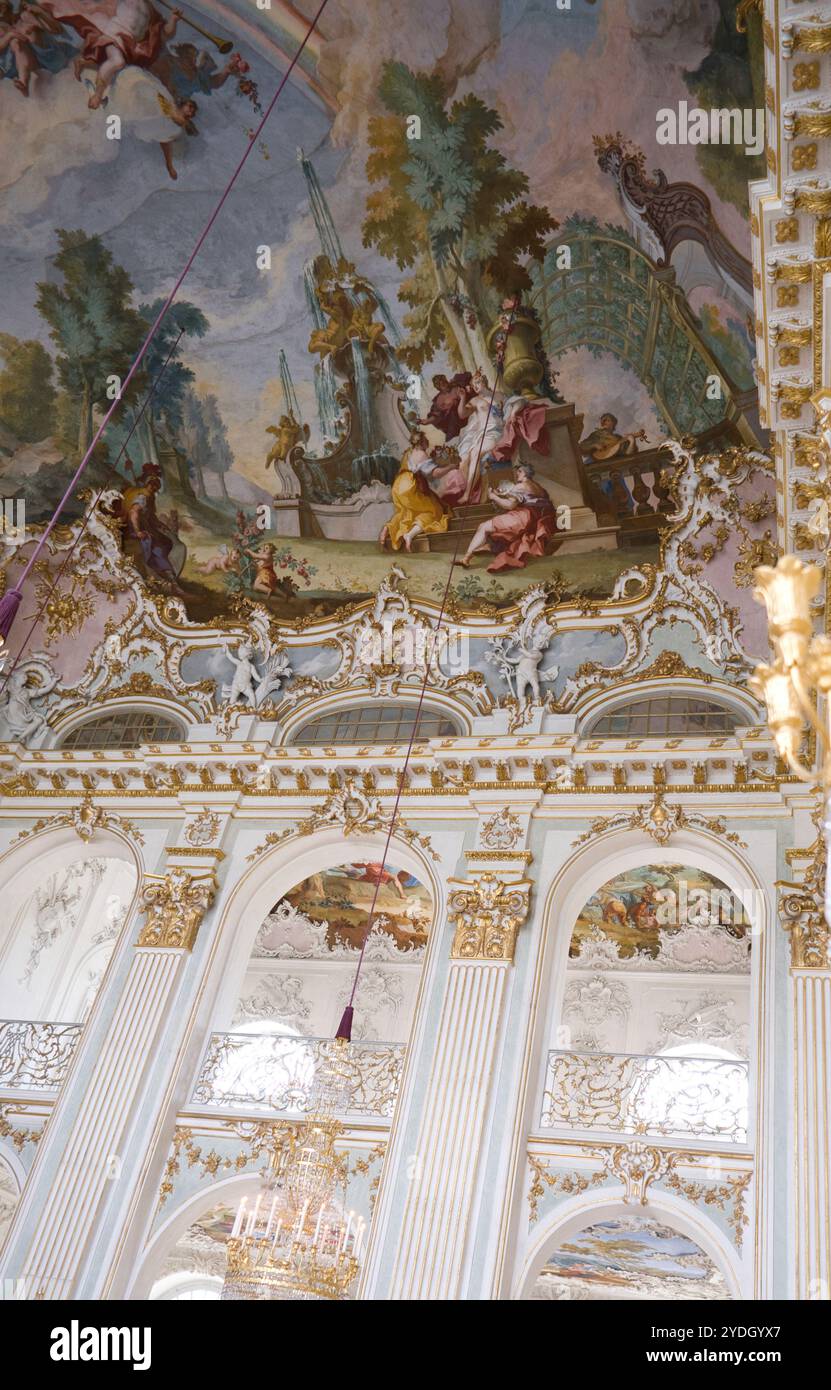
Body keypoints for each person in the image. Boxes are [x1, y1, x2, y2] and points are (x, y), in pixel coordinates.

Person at [455, 462, 559, 573]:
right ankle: (486, 547)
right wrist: (504, 495)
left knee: (484, 527)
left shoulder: (520, 486)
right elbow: (527, 500)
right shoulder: (538, 487)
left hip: (522, 517)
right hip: (533, 519)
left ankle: (466, 558)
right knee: (494, 528)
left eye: (519, 471)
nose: (517, 474)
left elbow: (509, 505)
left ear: (524, 473)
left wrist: (493, 497)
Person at [379, 431, 450, 552]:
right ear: (422, 442)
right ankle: (410, 535)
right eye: (425, 439)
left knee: (406, 512)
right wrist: (451, 466)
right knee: (434, 511)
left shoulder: (408, 452)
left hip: (399, 485)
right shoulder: (422, 454)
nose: (428, 441)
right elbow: (435, 473)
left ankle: (388, 528)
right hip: (410, 486)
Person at [0, 0, 74, 95]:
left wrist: (40, 12)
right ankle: (23, 82)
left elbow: (57, 29)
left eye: (3, 7)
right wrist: (9, 36)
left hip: (51, 58)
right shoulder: (5, 28)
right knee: (15, 43)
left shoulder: (26, 15)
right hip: (35, 61)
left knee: (21, 35)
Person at [420, 372, 472, 442]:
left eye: (445, 381)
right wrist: (427, 421)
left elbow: (468, 378)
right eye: (442, 384)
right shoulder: (439, 400)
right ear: (438, 387)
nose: (445, 385)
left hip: (467, 411)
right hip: (455, 423)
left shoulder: (456, 385)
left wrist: (468, 387)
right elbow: (436, 415)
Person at [580, 412, 647, 463]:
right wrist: (594, 444)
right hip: (595, 463)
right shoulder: (597, 434)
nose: (604, 422)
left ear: (613, 424)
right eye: (603, 420)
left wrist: (632, 442)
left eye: (608, 420)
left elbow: (628, 456)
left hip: (614, 466)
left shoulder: (618, 438)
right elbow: (581, 447)